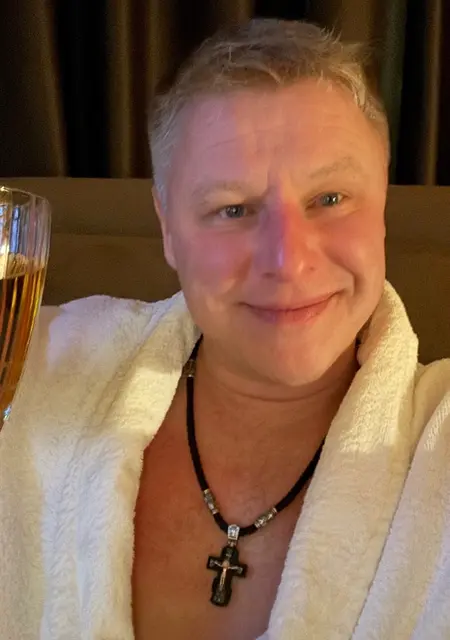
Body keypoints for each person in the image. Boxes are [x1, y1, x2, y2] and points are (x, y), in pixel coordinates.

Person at [1, 18, 450, 640]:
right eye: (232, 209)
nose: (287, 260)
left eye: (330, 199)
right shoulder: (33, 364)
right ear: (167, 227)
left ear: (381, 208)